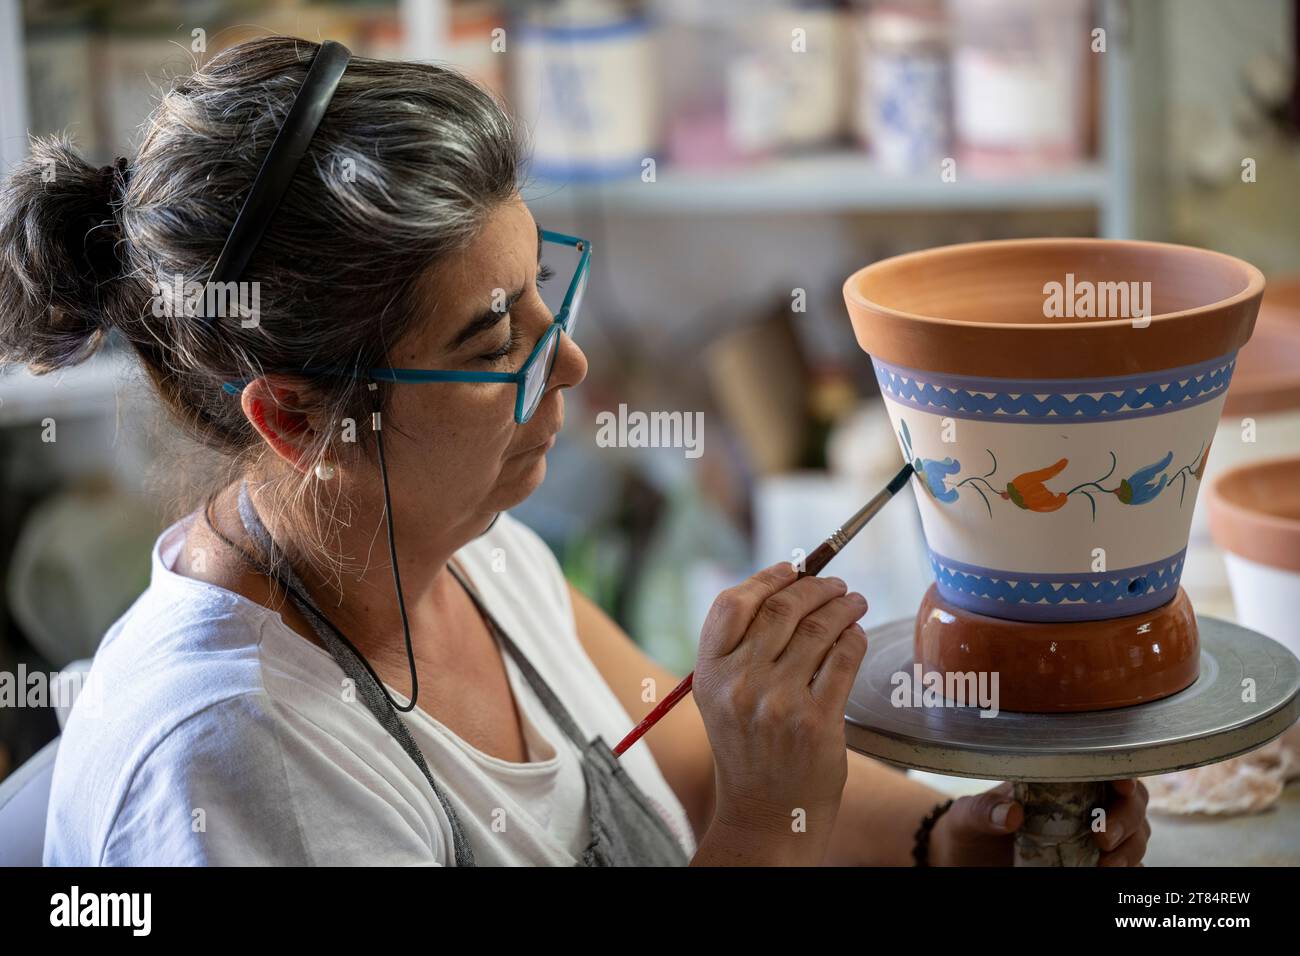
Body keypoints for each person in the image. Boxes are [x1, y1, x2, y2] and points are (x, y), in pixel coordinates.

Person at [0, 37, 1148, 866]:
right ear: (296, 419)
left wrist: (947, 838)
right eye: (490, 336)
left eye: (538, 295)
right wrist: (772, 822)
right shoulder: (235, 766)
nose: (572, 364)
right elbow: (738, 808)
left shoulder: (463, 554)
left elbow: (689, 765)